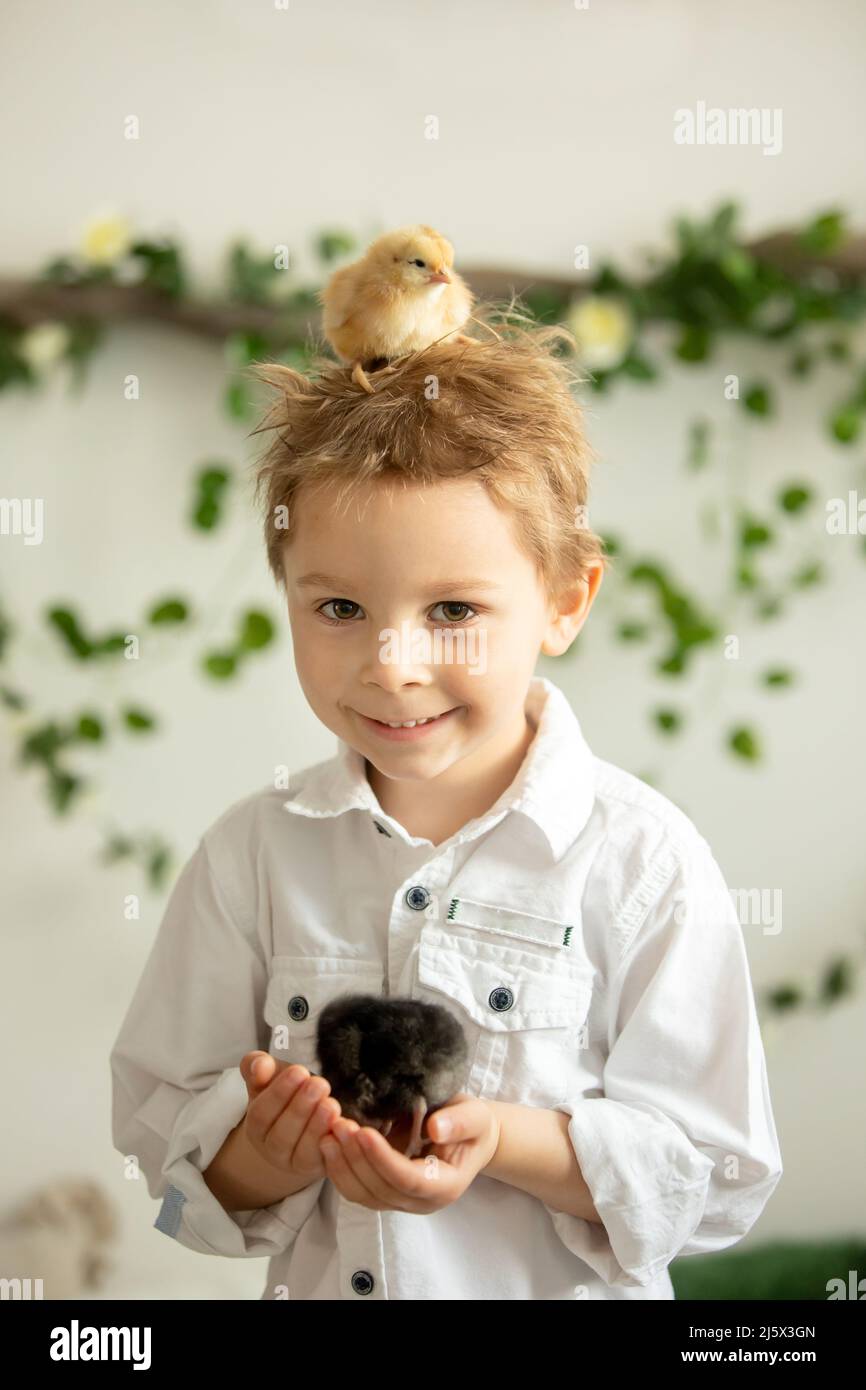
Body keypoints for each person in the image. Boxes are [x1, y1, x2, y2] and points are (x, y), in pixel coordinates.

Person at [109, 315, 782, 1300]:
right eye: (339, 609)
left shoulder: (641, 860)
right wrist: (269, 1153)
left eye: (453, 612)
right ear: (286, 594)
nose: (392, 665)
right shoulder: (249, 856)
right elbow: (171, 1181)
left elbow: (718, 1185)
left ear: (563, 600)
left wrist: (509, 1141)